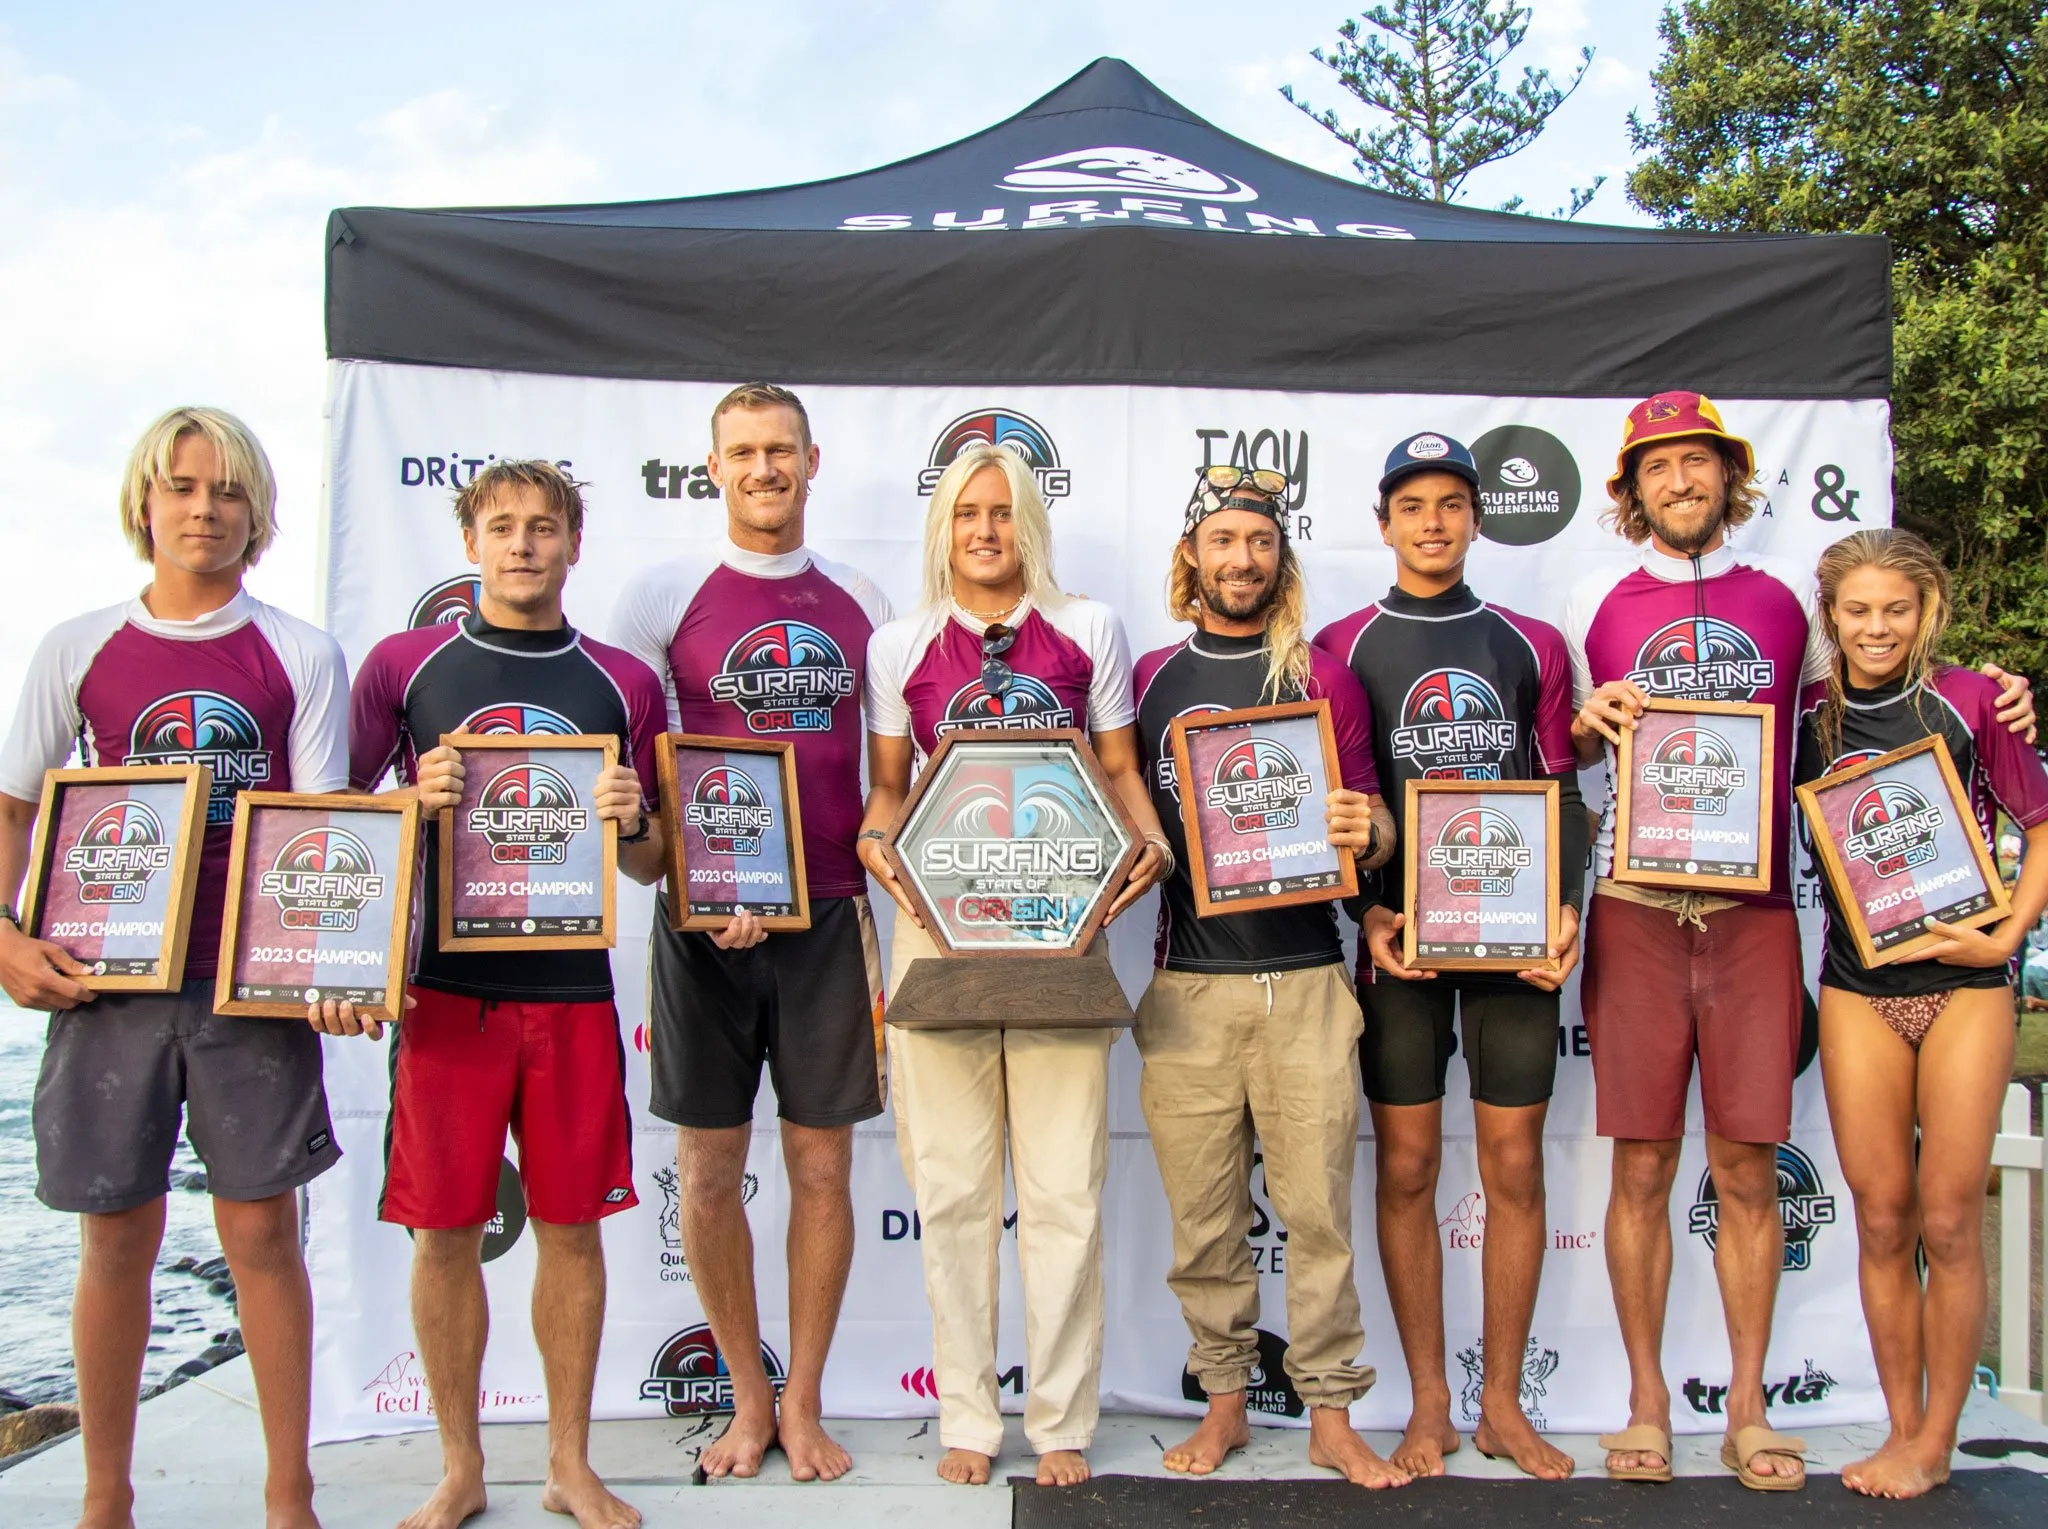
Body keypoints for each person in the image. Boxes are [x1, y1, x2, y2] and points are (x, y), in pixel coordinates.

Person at [1564, 392, 2033, 1490]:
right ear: (1629, 489)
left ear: (1731, 476)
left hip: (1757, 915)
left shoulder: (1787, 602)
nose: (1679, 481)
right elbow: (1572, 753)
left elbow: (1879, 706)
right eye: (1658, 467)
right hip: (1634, 909)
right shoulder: (1591, 605)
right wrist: (1587, 722)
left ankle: (1743, 1404)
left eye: (1698, 463)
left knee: (1744, 1169)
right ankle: (1642, 1404)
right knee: (1638, 1164)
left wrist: (2000, 697)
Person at [0, 407, 349, 1529]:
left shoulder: (298, 649)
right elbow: (13, 811)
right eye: (183, 487)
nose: (204, 508)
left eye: (227, 490)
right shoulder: (77, 644)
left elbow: (325, 832)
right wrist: (4, 940)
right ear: (143, 504)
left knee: (261, 1234)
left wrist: (335, 965)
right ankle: (106, 1496)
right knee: (116, 1232)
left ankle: (287, 1494)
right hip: (107, 981)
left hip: (251, 986)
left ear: (257, 513)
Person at [312, 461, 666, 1529]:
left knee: (569, 1228)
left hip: (568, 990)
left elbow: (653, 863)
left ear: (572, 543)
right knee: (444, 1232)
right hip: (442, 994)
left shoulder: (619, 682)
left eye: (543, 527)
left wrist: (629, 813)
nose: (522, 544)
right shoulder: (402, 666)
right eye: (502, 526)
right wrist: (404, 797)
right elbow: (337, 830)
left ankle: (567, 1461)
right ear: (470, 540)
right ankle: (460, 1465)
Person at [856, 444, 1170, 1489]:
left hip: (1058, 925)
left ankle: (1062, 1415)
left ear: (1028, 520)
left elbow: (1120, 766)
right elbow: (889, 790)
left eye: (1000, 512)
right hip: (937, 926)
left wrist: (1153, 839)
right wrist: (870, 838)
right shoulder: (898, 642)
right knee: (947, 1185)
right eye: (964, 514)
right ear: (940, 527)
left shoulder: (1087, 629)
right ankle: (967, 1414)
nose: (984, 530)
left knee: (1063, 1185)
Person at [610, 382, 892, 1481]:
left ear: (812, 462)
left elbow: (888, 773)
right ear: (712, 466)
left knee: (822, 1169)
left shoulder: (862, 596)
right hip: (699, 925)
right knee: (709, 1167)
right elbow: (640, 784)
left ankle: (806, 1400)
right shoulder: (659, 596)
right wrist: (694, 875)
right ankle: (741, 1395)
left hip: (827, 915)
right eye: (743, 452)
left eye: (781, 450)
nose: (763, 468)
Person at [1312, 432, 1587, 1481]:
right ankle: (1427, 1399)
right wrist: (1366, 910)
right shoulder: (1341, 645)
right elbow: (1334, 806)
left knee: (1514, 1163)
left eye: (1451, 503)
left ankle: (1502, 1401)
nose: (1432, 521)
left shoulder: (1527, 642)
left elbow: (1561, 792)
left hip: (1512, 947)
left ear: (1477, 516)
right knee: (1411, 1168)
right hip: (1401, 951)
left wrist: (1563, 907)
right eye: (1412, 504)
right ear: (1383, 521)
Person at [1131, 465, 1407, 1489]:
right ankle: (1226, 1404)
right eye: (1222, 541)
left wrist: (1362, 830)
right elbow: (1124, 817)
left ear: (1278, 557)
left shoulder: (1322, 674)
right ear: (1190, 557)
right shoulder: (1152, 679)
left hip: (1303, 978)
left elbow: (1373, 823)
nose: (1239, 558)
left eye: (1257, 541)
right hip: (1188, 987)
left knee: (1317, 1211)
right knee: (1204, 1218)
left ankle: (1332, 1410)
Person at [1794, 529, 2048, 1499]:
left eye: (1893, 609)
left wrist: (2005, 938)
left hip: (1965, 983)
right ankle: (1901, 1426)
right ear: (1830, 614)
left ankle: (1936, 1437)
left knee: (1947, 1217)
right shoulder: (1807, 714)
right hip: (1858, 985)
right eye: (1855, 609)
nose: (1874, 627)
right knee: (1880, 1215)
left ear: (1926, 609)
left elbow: (2036, 824)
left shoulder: (1975, 699)